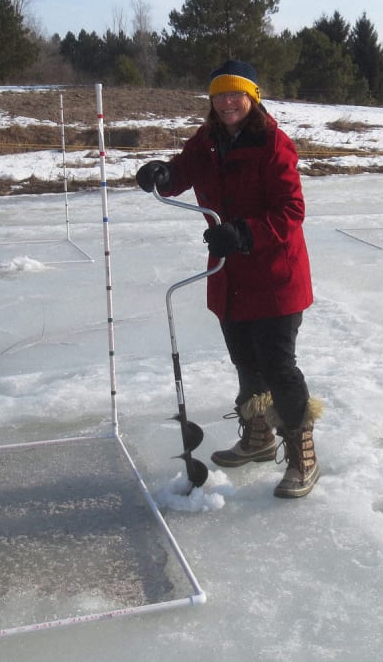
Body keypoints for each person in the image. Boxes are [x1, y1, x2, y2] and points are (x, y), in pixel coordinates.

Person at [135, 60, 321, 499]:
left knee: (278, 367)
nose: (227, 102)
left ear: (251, 98)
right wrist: (161, 174)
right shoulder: (208, 141)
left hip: (275, 276)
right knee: (245, 362)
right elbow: (182, 173)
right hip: (229, 276)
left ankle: (303, 456)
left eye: (235, 95)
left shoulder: (275, 144)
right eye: (219, 95)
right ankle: (258, 438)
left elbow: (291, 212)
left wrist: (243, 232)